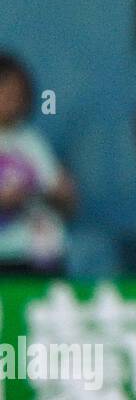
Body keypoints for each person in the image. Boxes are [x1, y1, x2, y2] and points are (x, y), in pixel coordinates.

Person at [0, 53, 76, 275]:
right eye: (7, 91)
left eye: (19, 93)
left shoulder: (32, 141)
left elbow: (65, 199)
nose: (14, 100)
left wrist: (59, 194)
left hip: (36, 258)